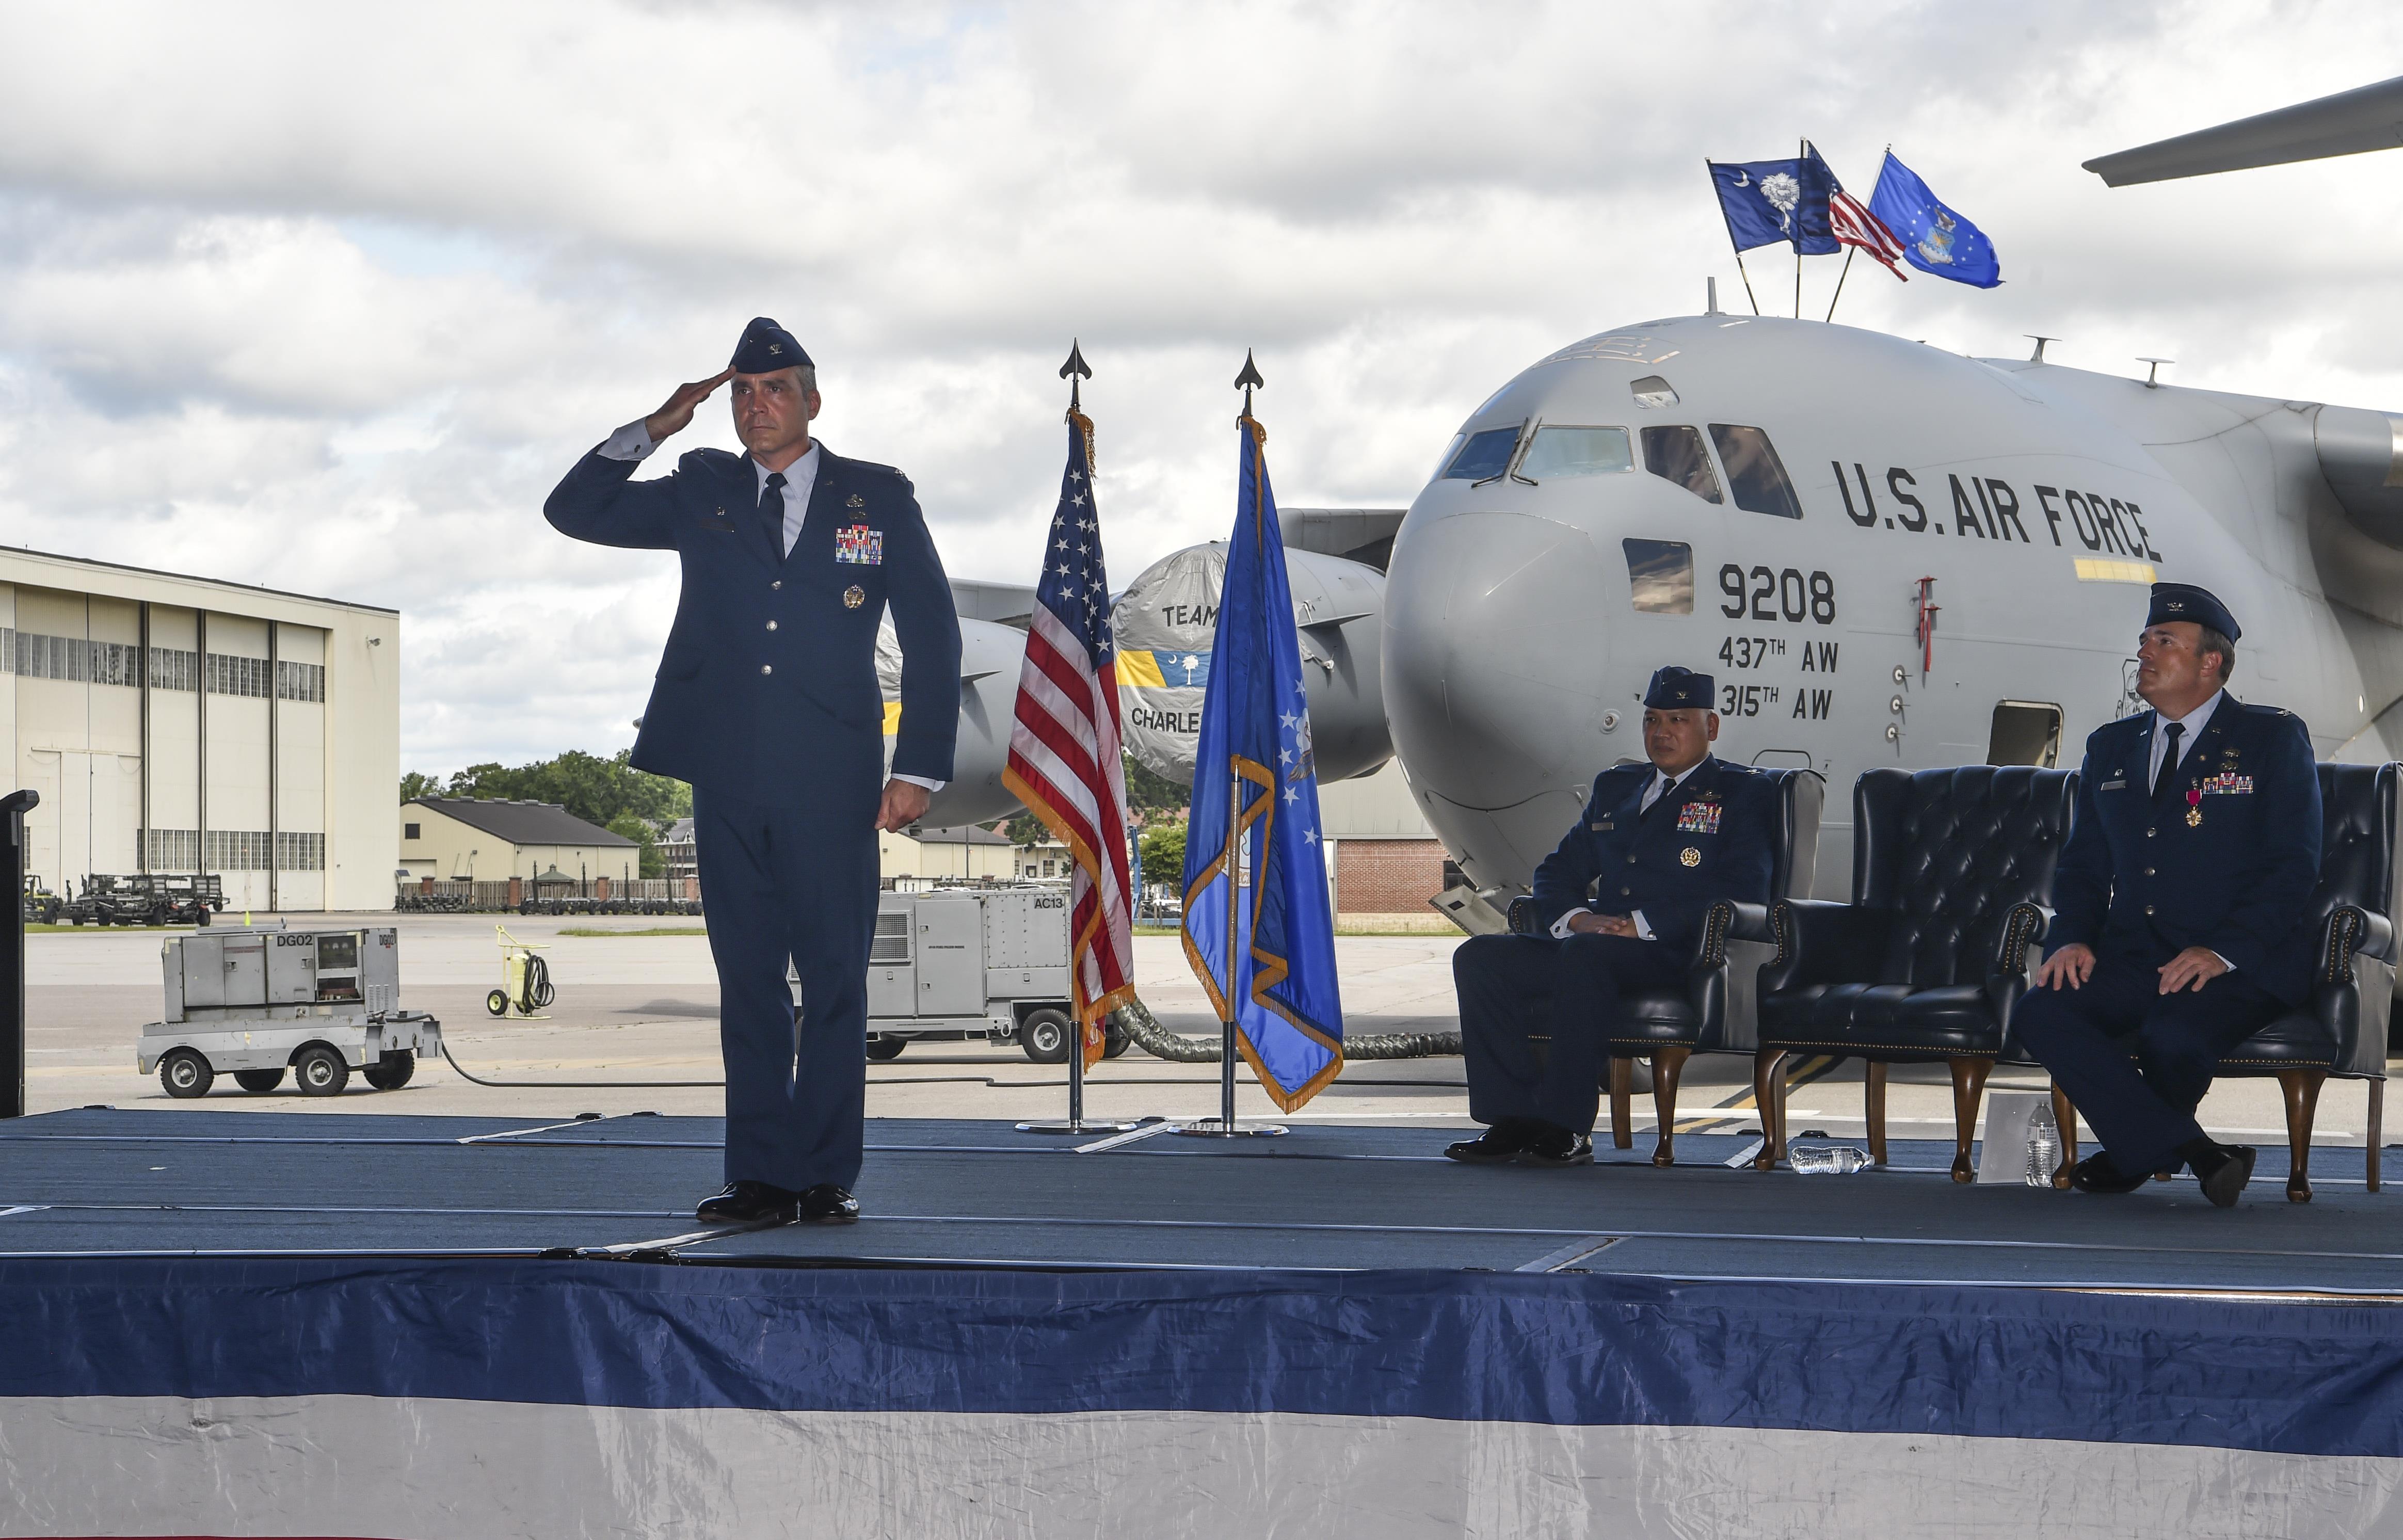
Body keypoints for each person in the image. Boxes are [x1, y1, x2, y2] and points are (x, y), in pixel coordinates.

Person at [545, 317, 962, 1225]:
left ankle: (826, 1175)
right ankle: (762, 1174)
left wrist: (920, 768)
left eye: (774, 389)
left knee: (836, 979)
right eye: (741, 391)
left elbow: (933, 633)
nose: (755, 404)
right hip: (727, 770)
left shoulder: (878, 497)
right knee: (747, 980)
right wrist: (655, 428)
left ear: (813, 400)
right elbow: (573, 511)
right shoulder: (703, 485)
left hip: (834, 774)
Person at [2012, 582, 2318, 1208]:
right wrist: (2072, 936)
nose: (2145, 652)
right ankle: (2200, 1152)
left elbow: (2293, 866)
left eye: (2165, 641)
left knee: (2173, 1037)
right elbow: (2084, 865)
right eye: (2145, 640)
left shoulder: (2271, 739)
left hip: (2240, 961)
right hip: (2137, 955)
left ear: (2211, 662)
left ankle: (2138, 1151)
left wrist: (2222, 950)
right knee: (2042, 1010)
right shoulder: (2110, 746)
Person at [1446, 666, 1777, 1167]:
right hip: (1595, 944)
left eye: (1678, 720)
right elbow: (1557, 871)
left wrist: (1641, 924)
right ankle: (1511, 1119)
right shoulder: (1617, 787)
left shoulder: (1741, 793)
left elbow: (1742, 890)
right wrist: (1578, 918)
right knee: (1480, 958)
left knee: (1586, 956)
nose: (1662, 732)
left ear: (1710, 727)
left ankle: (1567, 1126)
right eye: (1652, 719)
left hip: (1678, 952)